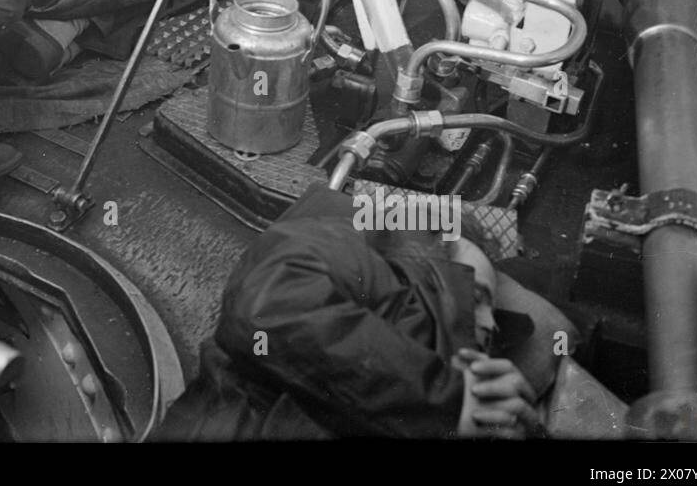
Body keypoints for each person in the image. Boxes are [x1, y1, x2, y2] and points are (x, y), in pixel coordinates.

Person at [156, 183, 544, 440]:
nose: (490, 324)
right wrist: (443, 402)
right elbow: (272, 302)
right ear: (428, 257)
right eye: (475, 297)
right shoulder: (369, 261)